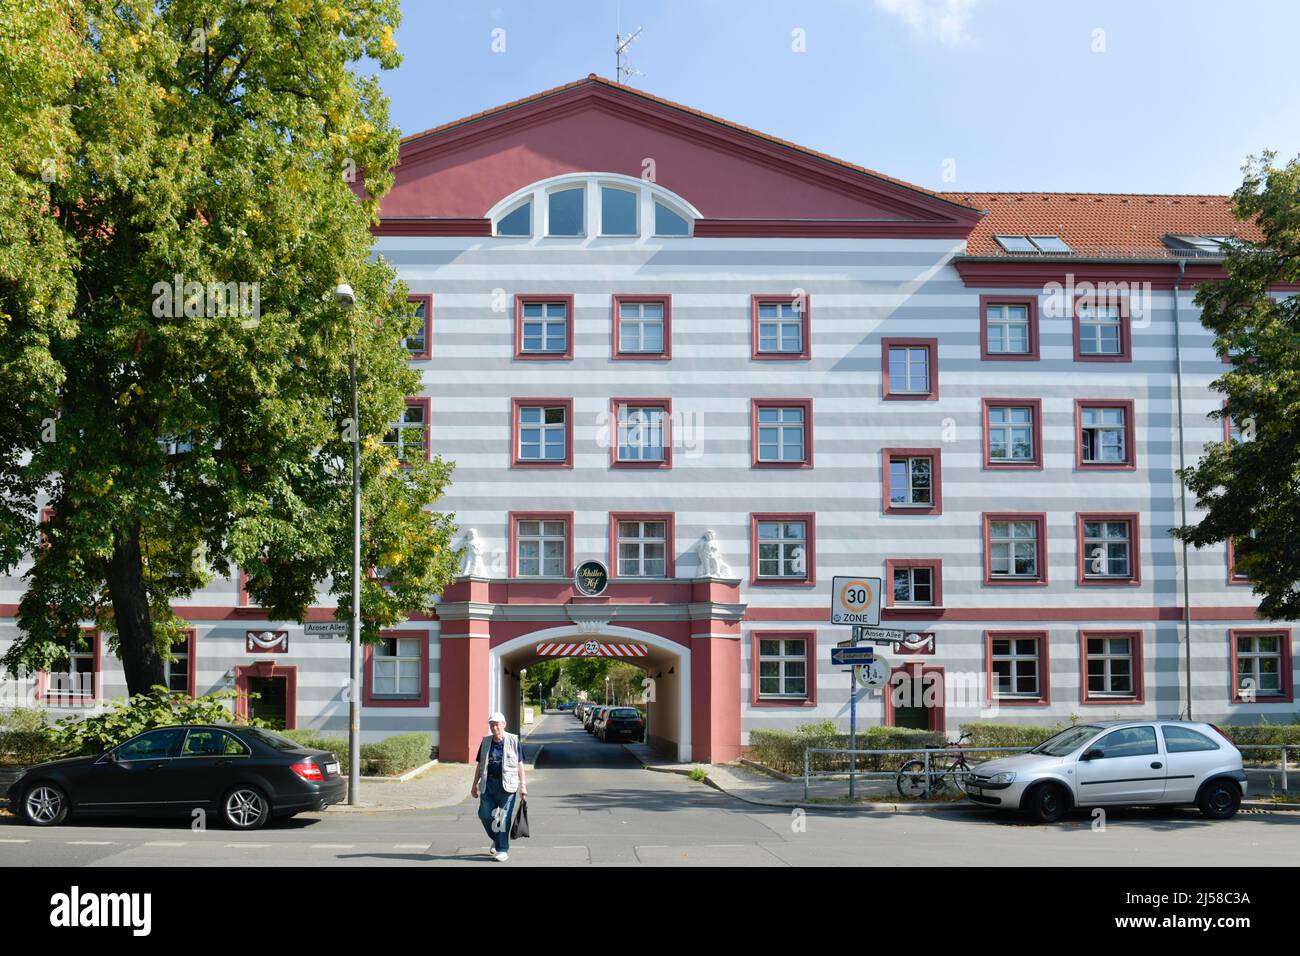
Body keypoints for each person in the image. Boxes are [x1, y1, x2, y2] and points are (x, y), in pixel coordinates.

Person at [470, 711, 526, 861]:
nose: (494, 727)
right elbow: (480, 765)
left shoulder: (513, 740)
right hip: (488, 784)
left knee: (503, 818)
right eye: (491, 724)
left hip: (507, 786)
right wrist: (474, 785)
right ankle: (497, 838)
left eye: (496, 724)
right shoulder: (486, 741)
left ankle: (502, 849)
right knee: (484, 814)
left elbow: (520, 765)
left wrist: (523, 786)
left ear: (504, 724)